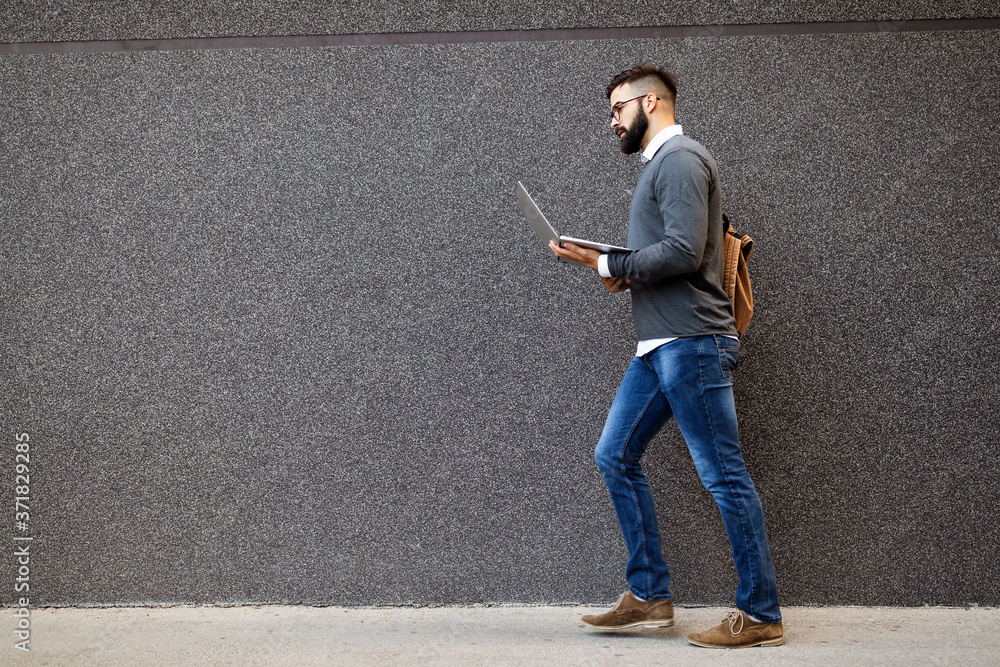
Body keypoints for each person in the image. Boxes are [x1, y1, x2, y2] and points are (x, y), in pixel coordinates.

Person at [549, 64, 783, 649]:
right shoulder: (662, 167)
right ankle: (651, 596)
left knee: (724, 476)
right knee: (615, 455)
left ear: (650, 103)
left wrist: (608, 264)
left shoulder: (679, 161)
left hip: (693, 343)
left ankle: (761, 614)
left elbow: (681, 251)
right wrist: (621, 270)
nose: (611, 122)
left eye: (616, 109)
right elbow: (679, 253)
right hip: (660, 346)